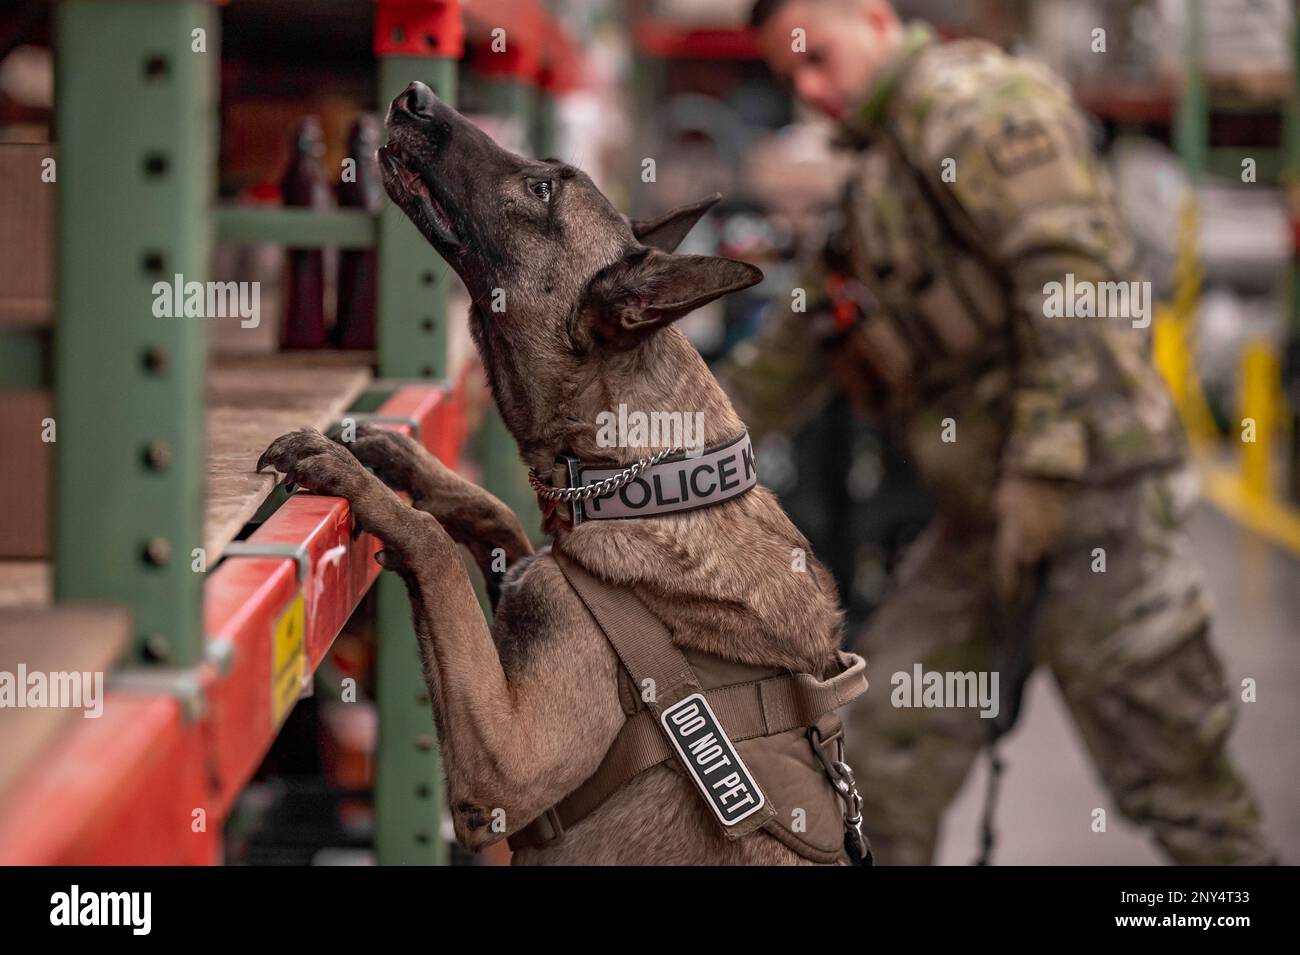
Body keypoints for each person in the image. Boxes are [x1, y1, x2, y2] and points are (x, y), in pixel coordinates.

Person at [717, 0, 1275, 864]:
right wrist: (671, 452)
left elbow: (1077, 286)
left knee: (1178, 782)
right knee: (879, 752)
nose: (814, 89)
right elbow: (791, 356)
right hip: (983, 521)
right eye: (792, 78)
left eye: (818, 57)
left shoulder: (980, 108)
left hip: (1098, 503)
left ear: (871, 15)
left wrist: (1045, 472)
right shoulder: (879, 182)